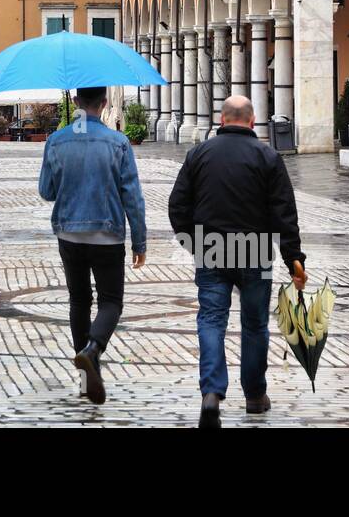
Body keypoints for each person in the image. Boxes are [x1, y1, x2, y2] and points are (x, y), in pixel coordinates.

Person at [167, 94, 306, 428]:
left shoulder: (198, 154)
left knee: (212, 319)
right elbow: (284, 213)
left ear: (222, 120)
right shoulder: (268, 156)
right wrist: (294, 259)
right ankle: (255, 395)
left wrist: (195, 243)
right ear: (252, 121)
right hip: (255, 249)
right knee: (255, 324)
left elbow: (177, 207)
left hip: (211, 248)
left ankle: (212, 392)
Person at [39, 87, 147, 405]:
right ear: (103, 103)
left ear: (75, 102)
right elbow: (133, 196)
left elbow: (46, 191)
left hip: (69, 234)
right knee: (111, 302)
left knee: (79, 301)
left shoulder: (56, 141)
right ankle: (93, 349)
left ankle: (87, 380)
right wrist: (140, 240)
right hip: (107, 233)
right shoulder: (118, 142)